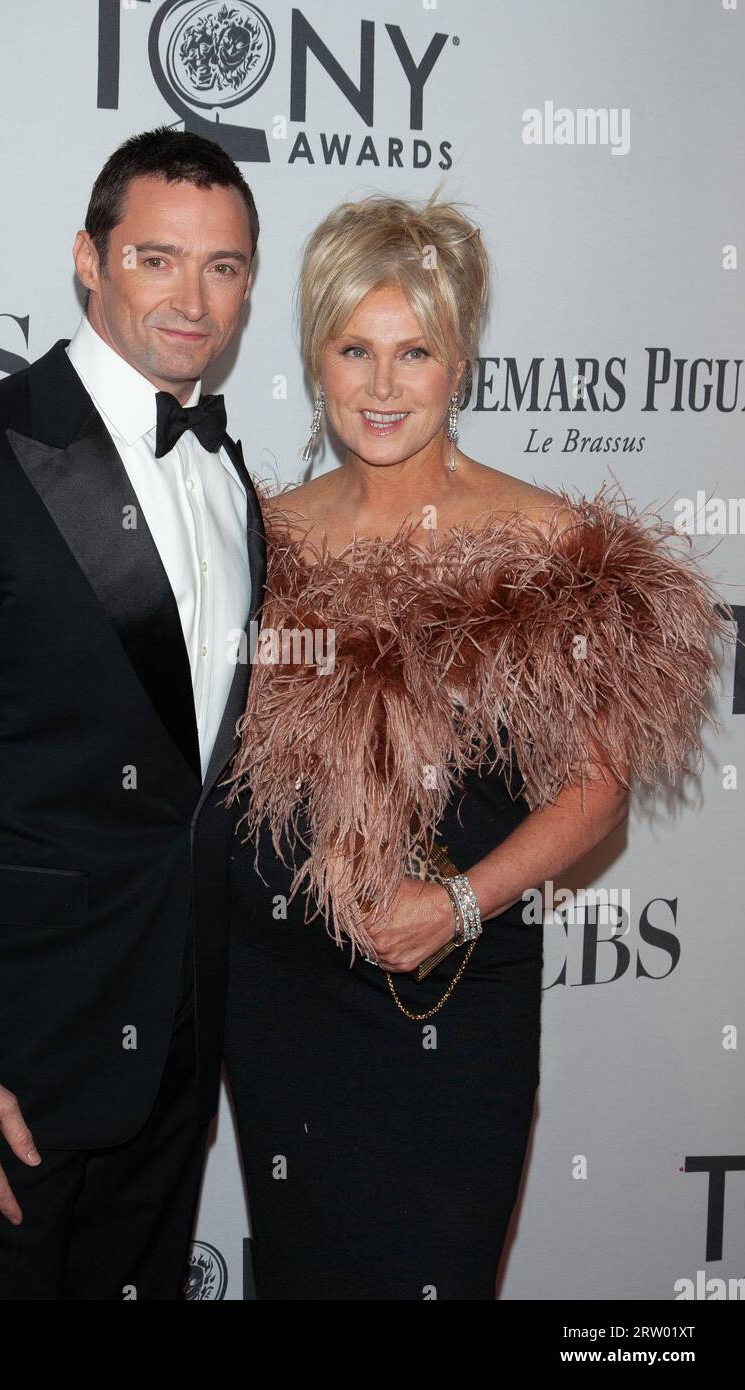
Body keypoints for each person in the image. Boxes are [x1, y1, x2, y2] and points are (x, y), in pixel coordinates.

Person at [221, 192, 732, 1300]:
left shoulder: (548, 544)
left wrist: (454, 905)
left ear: (459, 363)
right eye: (354, 348)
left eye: (416, 350)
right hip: (281, 995)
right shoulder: (263, 539)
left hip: (456, 988)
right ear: (316, 354)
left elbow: (597, 793)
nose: (383, 383)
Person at [0, 126, 265, 1300]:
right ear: (89, 259)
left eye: (224, 267)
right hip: (9, 1069)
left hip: (178, 1045)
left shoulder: (232, 479)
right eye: (157, 259)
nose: (192, 298)